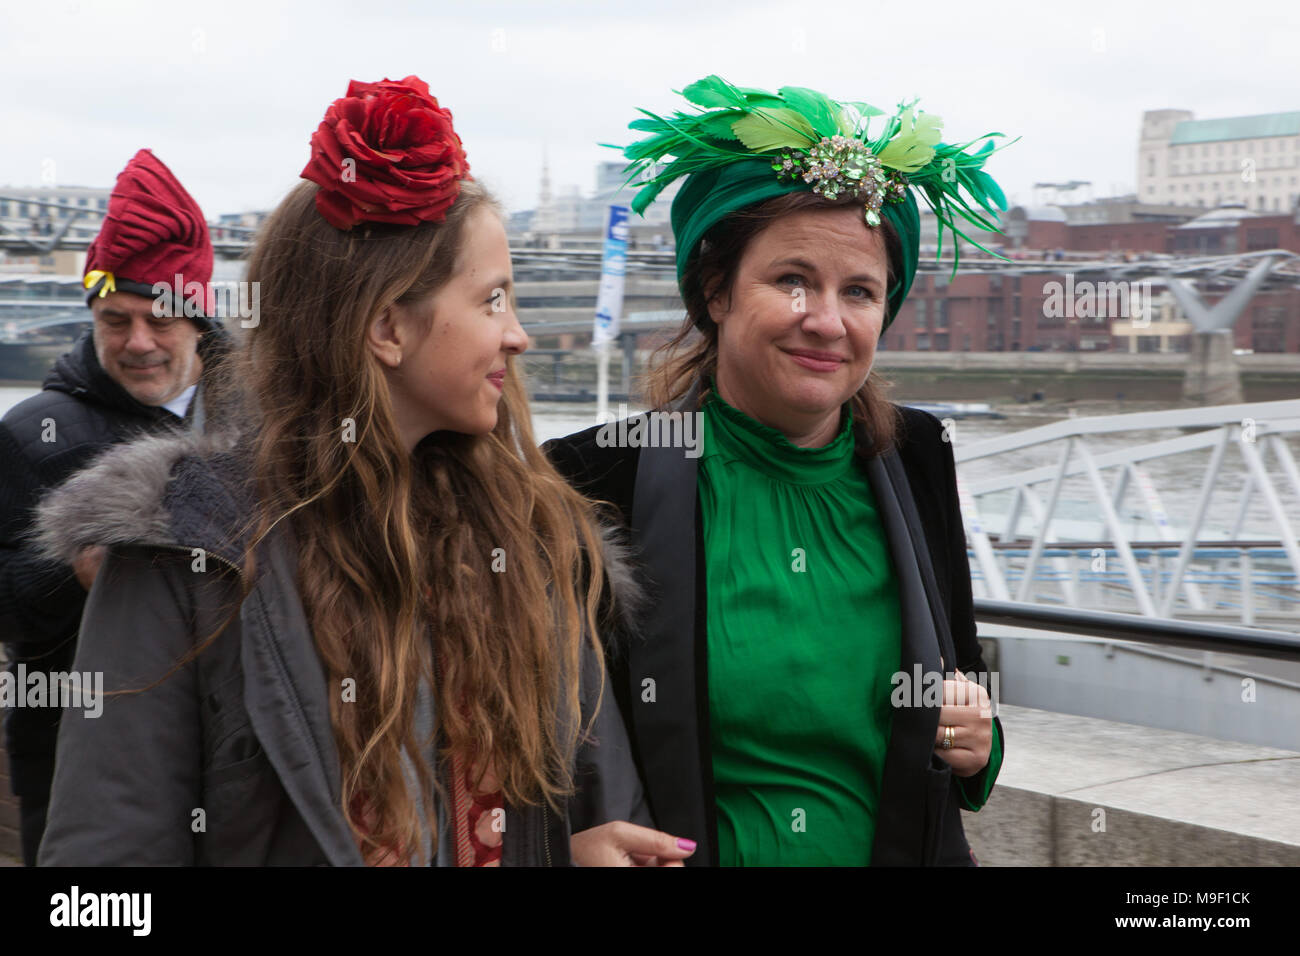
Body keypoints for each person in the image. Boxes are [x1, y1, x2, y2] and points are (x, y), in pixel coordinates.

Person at [34, 76, 692, 866]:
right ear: (386, 326)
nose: (517, 336)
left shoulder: (536, 544)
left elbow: (571, 808)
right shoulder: (184, 554)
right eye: (492, 300)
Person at [545, 76, 1011, 865]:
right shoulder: (594, 477)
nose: (826, 321)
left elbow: (957, 689)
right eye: (792, 280)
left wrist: (979, 741)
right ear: (716, 291)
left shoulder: (917, 456)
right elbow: (523, 749)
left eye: (859, 291)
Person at [0, 149, 230, 866]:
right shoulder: (33, 436)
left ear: (200, 316)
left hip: (238, 761)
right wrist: (74, 574)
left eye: (160, 319)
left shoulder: (273, 425)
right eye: (114, 319)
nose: (136, 343)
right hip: (83, 768)